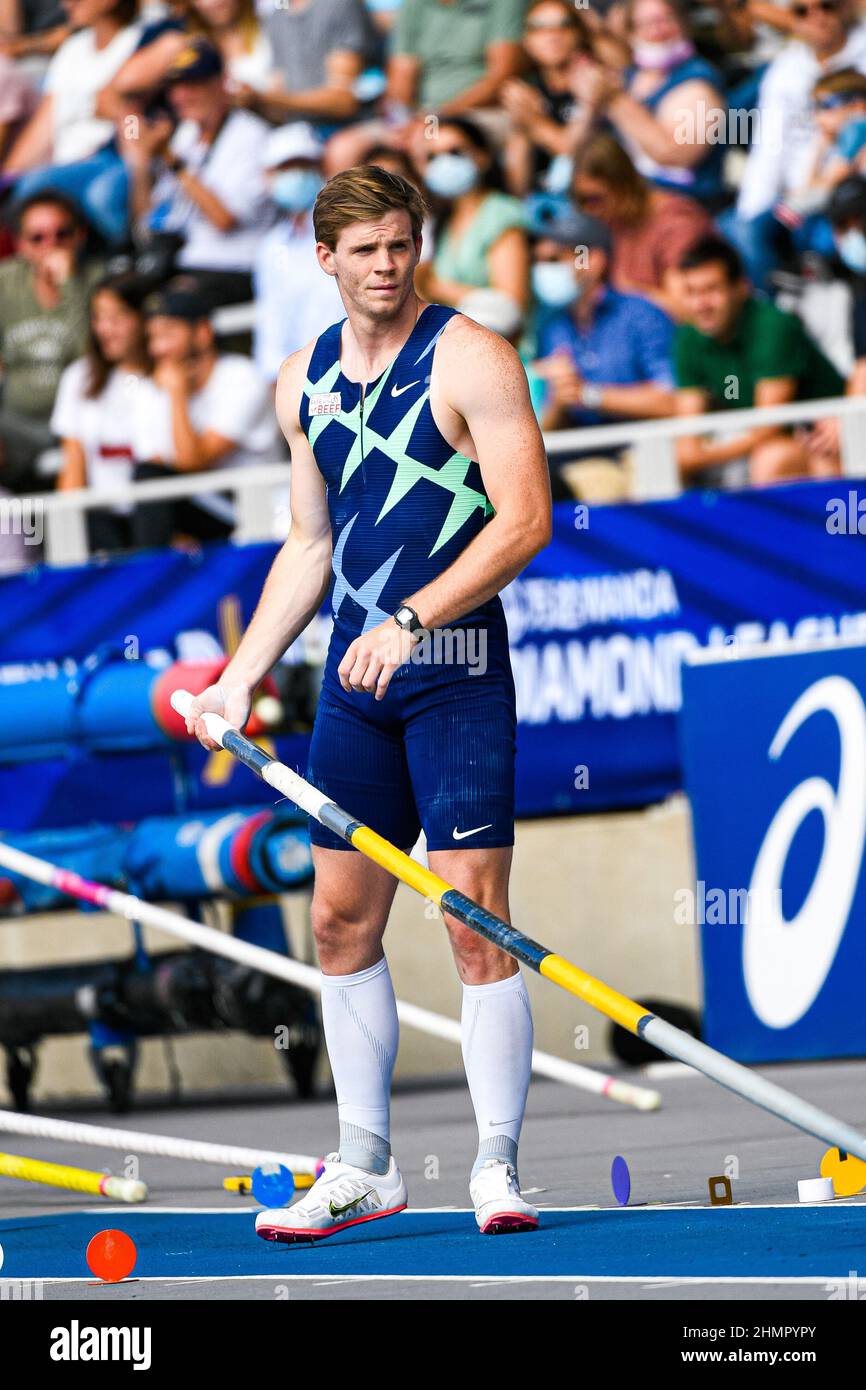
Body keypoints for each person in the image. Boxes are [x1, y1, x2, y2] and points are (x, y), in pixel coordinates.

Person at [183, 163, 552, 1242]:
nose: (387, 266)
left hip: (455, 667)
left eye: (401, 245)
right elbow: (308, 544)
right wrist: (241, 675)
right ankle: (365, 1165)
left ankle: (493, 1163)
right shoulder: (299, 379)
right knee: (338, 920)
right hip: (354, 680)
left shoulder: (473, 355)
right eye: (366, 251)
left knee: (471, 913)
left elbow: (524, 519)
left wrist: (416, 619)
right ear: (324, 260)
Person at [673, 235, 845, 486]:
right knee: (659, 466)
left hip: (827, 439)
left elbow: (769, 426)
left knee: (770, 461)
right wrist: (691, 456)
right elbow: (687, 431)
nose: (701, 304)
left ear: (741, 288)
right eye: (691, 292)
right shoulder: (688, 337)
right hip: (755, 441)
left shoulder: (772, 326)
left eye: (711, 289)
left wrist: (701, 456)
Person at [124, 38, 274, 308]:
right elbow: (145, 221)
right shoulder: (186, 136)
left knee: (165, 307)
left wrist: (171, 159)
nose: (180, 96)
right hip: (184, 260)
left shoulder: (251, 136)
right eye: (174, 87)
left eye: (192, 85)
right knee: (117, 295)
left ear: (221, 83)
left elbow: (224, 219)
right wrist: (144, 163)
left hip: (233, 265)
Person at [729, 0, 866, 288]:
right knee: (738, 229)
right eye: (802, 11)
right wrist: (751, 216)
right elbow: (768, 151)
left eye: (826, 6)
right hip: (803, 195)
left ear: (843, 8)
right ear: (791, 18)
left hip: (849, 196)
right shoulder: (784, 71)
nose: (816, 17)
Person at [130, 280, 278, 546]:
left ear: (203, 332)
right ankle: (151, 574)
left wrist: (177, 395)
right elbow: (153, 462)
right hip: (205, 505)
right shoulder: (150, 389)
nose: (157, 348)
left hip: (256, 509)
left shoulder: (242, 377)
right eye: (152, 337)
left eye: (167, 334)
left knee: (151, 479)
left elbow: (192, 461)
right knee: (146, 481)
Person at [2, 0, 144, 246]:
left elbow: (133, 112)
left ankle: (128, 258)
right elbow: (44, 126)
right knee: (19, 190)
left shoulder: (140, 39)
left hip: (113, 156)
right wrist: (7, 179)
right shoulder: (73, 49)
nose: (66, 3)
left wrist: (133, 147)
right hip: (67, 164)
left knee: (101, 196)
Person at [569, 0, 727, 206]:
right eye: (645, 23)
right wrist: (589, 102)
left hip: (682, 205)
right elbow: (574, 147)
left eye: (666, 19)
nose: (657, 30)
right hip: (626, 200)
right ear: (630, 32)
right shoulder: (628, 76)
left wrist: (615, 100)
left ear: (683, 23)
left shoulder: (699, 80)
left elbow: (674, 154)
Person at [532, 207, 676, 430]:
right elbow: (545, 430)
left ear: (593, 260)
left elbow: (672, 400)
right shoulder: (551, 327)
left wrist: (587, 394)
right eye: (538, 260)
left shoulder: (642, 315)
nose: (543, 269)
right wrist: (560, 401)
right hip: (574, 456)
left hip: (645, 451)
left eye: (554, 258)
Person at [0, 192, 102, 493]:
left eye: (62, 234)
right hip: (18, 423)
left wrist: (69, 286)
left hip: (83, 418)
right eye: (37, 238)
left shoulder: (98, 280)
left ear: (80, 235)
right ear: (19, 244)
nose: (51, 245)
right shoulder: (6, 283)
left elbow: (91, 355)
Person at [52, 272, 151, 553]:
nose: (106, 328)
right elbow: (73, 466)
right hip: (102, 520)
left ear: (143, 318)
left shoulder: (169, 376)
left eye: (118, 317)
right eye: (98, 317)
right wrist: (67, 539)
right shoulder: (78, 377)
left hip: (159, 517)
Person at [571, 131, 711, 318]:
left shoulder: (676, 223)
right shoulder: (615, 223)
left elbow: (688, 310)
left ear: (622, 184)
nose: (588, 210)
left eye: (594, 199)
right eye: (581, 200)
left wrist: (626, 292)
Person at [253, 123, 344, 384]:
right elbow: (271, 321)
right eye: (285, 168)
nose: (295, 176)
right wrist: (278, 380)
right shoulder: (271, 247)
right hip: (298, 383)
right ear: (267, 177)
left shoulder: (348, 230)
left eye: (303, 166)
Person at [416, 116, 530, 312]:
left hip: (503, 340)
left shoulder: (502, 213)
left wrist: (435, 286)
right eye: (433, 157)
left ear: (482, 157)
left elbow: (512, 305)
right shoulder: (444, 221)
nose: (444, 163)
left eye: (455, 152)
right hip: (458, 339)